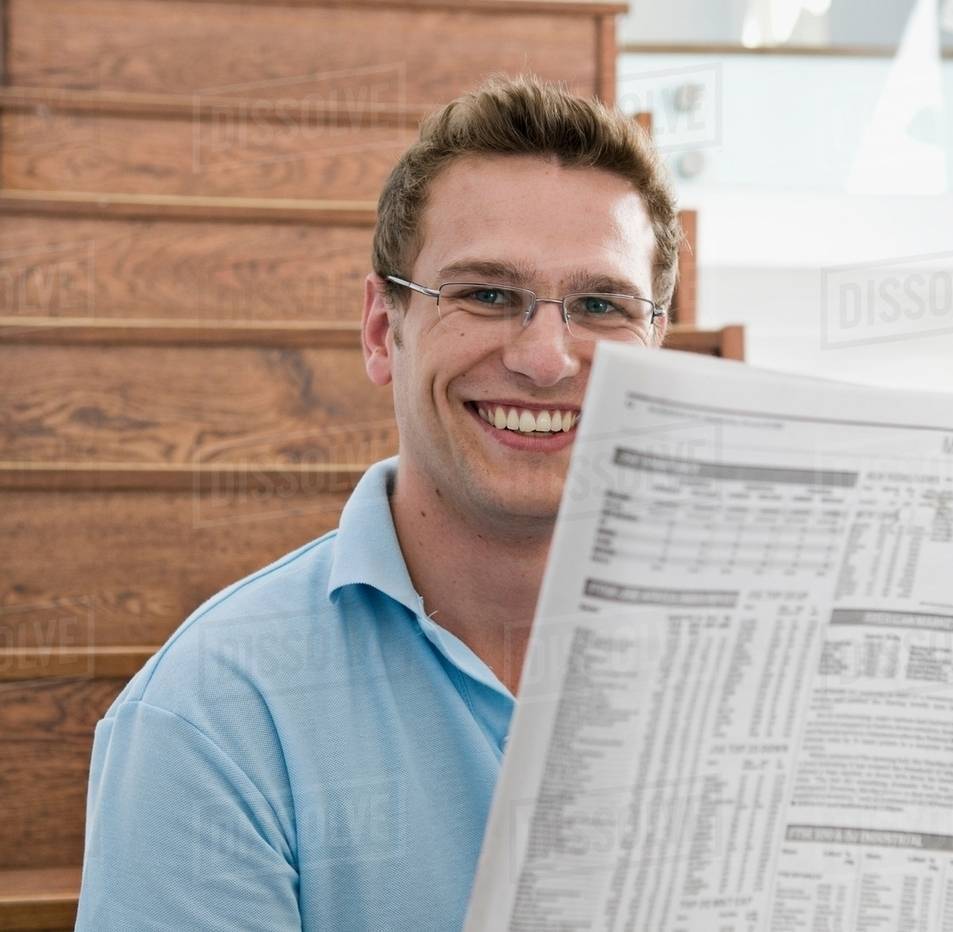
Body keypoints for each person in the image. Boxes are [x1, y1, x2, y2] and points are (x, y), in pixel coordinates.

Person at [75, 75, 682, 930]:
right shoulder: (208, 715)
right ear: (378, 330)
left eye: (600, 305)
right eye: (487, 294)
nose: (547, 358)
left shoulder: (785, 665)